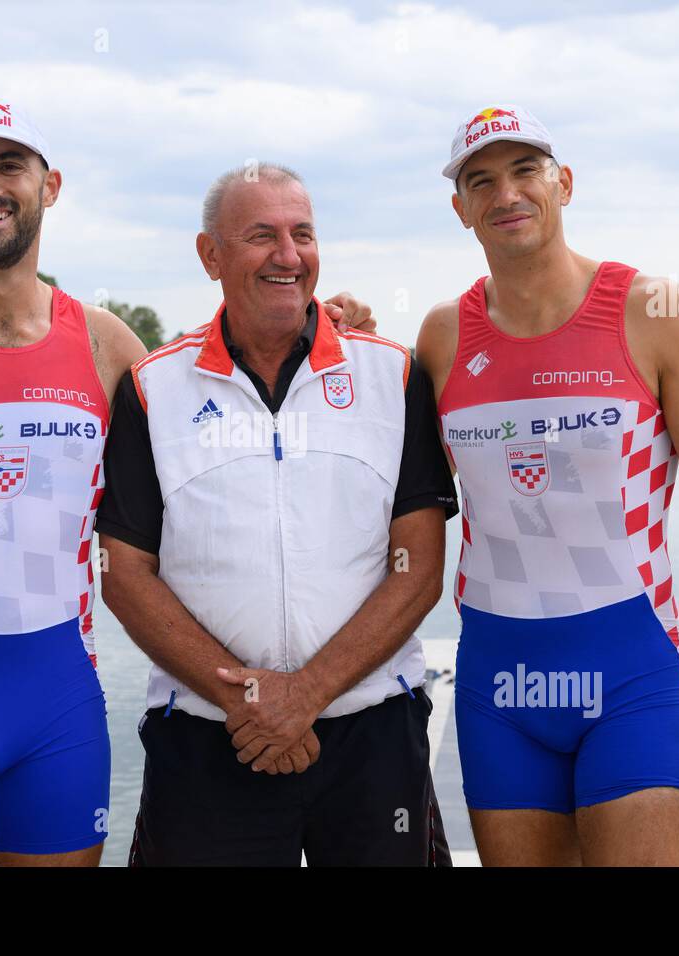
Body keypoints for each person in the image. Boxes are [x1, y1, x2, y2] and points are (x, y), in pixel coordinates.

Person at [0, 96, 378, 867]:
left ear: (49, 186)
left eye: (10, 166)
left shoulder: (103, 343)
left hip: (54, 704)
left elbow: (214, 388)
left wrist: (310, 318)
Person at [416, 105, 679, 866]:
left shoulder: (652, 310)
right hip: (499, 686)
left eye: (525, 171)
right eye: (481, 181)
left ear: (564, 184)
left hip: (631, 673)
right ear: (461, 211)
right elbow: (400, 496)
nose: (505, 194)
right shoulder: (445, 336)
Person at [97, 164, 459, 866]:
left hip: (373, 736)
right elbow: (125, 575)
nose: (288, 256)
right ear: (211, 256)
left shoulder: (393, 374)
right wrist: (253, 699)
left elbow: (418, 567)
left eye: (302, 235)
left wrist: (305, 695)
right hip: (209, 734)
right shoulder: (153, 388)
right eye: (261, 235)